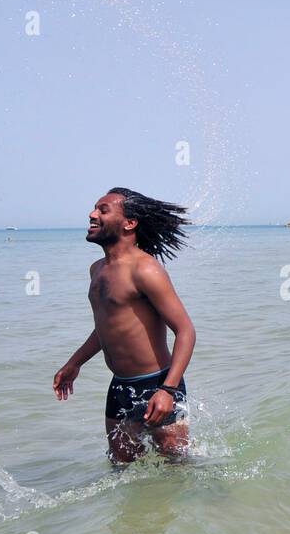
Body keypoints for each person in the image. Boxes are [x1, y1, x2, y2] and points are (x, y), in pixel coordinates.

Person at [53, 187, 197, 463]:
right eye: (95, 208)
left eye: (103, 210)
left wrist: (168, 390)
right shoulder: (97, 270)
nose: (92, 214)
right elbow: (107, 328)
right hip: (119, 387)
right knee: (121, 468)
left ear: (130, 223)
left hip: (157, 383)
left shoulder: (145, 269)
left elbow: (185, 331)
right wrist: (75, 363)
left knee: (178, 468)